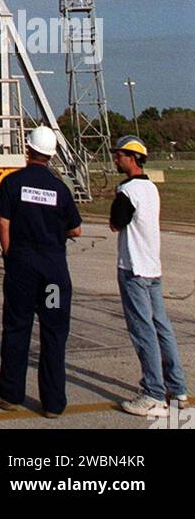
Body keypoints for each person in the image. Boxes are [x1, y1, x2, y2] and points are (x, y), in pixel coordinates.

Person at [0, 126, 82, 417]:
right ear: (52, 155)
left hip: (22, 270)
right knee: (53, 333)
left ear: (28, 150)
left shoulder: (12, 183)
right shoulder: (60, 189)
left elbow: (3, 224)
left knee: (17, 328)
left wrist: (9, 254)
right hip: (53, 274)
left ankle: (10, 394)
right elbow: (75, 229)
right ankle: (53, 404)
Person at [109, 135, 188, 417]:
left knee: (143, 331)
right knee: (162, 328)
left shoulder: (127, 190)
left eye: (119, 155)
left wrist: (116, 199)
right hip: (153, 267)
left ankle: (153, 394)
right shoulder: (151, 189)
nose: (115, 159)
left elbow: (116, 224)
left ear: (131, 158)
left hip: (134, 268)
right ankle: (177, 388)